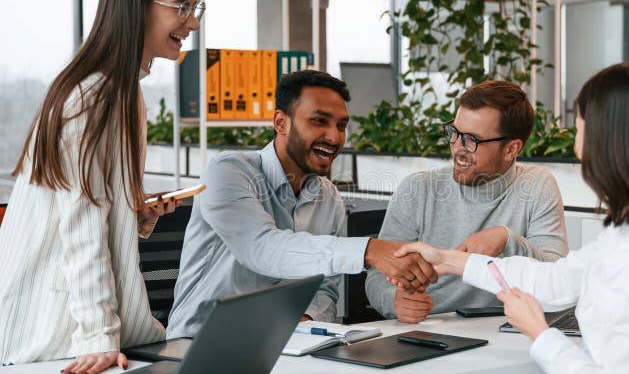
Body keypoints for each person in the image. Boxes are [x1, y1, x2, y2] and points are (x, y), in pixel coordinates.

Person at [395, 62, 629, 374]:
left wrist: (540, 333)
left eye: (579, 129)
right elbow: (556, 280)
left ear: (608, 141)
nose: (577, 147)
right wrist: (450, 260)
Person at [0, 0, 202, 374]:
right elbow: (80, 225)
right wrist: (97, 336)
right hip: (58, 332)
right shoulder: (93, 97)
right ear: (138, 6)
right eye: (181, 7)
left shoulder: (125, 92)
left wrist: (138, 211)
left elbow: (96, 207)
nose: (192, 23)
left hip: (94, 329)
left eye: (194, 8)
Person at [166, 70, 436, 338]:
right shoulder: (227, 172)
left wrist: (305, 322)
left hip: (281, 345)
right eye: (319, 121)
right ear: (281, 123)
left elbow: (324, 289)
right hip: (199, 341)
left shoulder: (329, 199)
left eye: (341, 126)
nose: (334, 137)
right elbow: (262, 249)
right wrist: (369, 250)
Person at [365, 80, 569, 374]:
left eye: (473, 140)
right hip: (416, 347)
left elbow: (557, 282)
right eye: (455, 133)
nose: (459, 148)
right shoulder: (419, 189)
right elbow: (373, 279)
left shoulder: (536, 187)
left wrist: (507, 240)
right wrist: (393, 301)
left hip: (492, 354)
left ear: (512, 148)